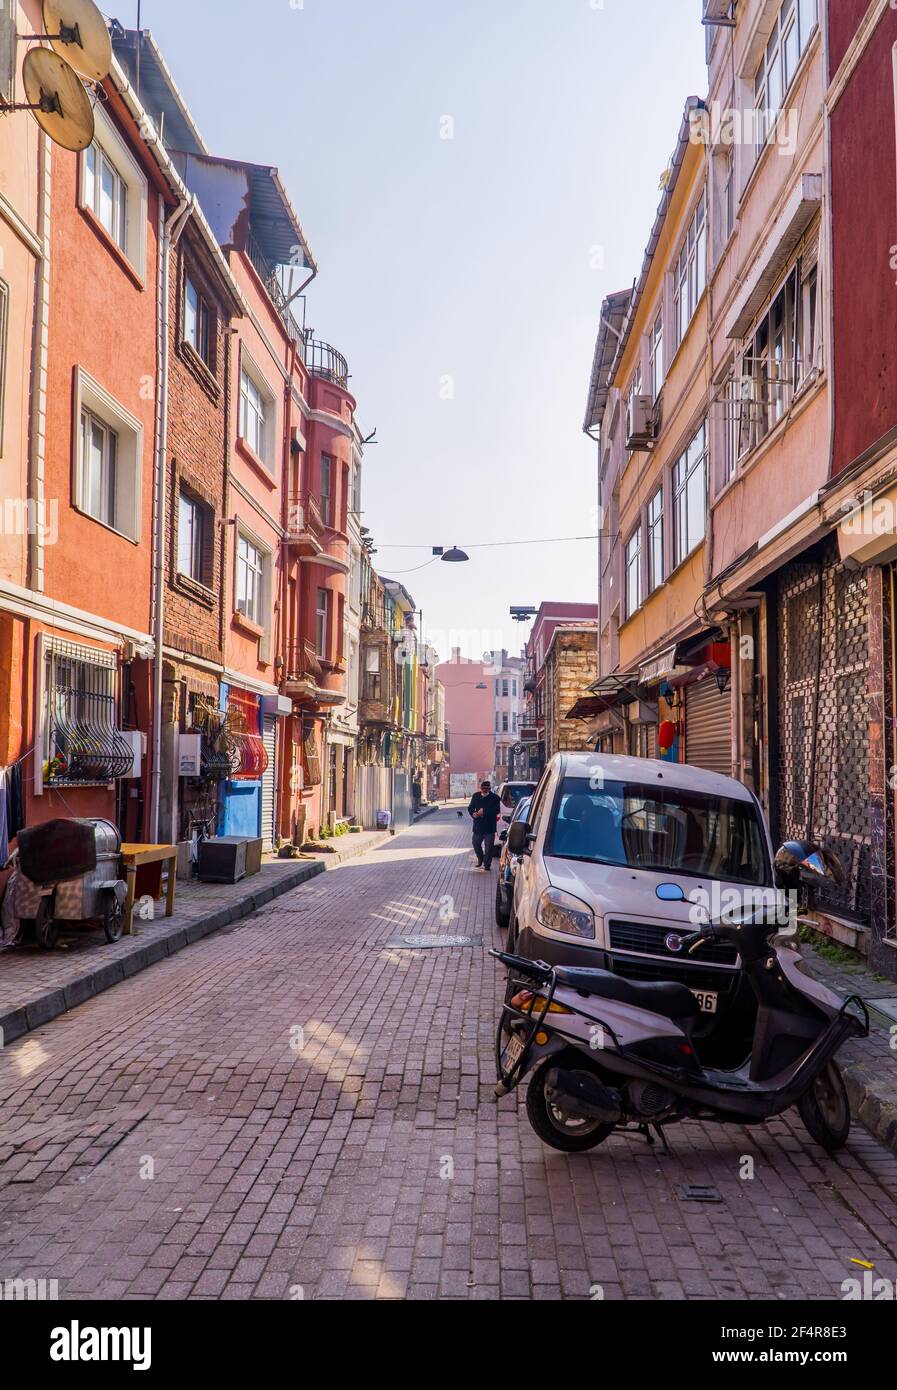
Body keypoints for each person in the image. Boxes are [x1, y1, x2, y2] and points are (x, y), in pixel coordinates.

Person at [467, 779, 502, 869]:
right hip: (478, 826)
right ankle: (480, 858)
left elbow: (497, 810)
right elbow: (470, 808)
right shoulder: (476, 796)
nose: (484, 790)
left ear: (489, 788)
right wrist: (473, 813)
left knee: (489, 847)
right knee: (475, 843)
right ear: (480, 788)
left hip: (489, 826)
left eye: (486, 788)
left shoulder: (495, 798)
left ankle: (487, 864)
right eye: (483, 788)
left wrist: (485, 812)